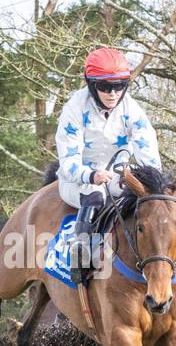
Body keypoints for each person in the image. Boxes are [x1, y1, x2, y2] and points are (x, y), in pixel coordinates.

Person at [53, 46, 162, 282]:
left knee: (152, 199)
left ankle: (175, 252)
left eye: (119, 85)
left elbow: (147, 147)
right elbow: (68, 161)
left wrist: (155, 180)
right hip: (78, 180)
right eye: (104, 86)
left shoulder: (131, 109)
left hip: (115, 175)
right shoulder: (74, 108)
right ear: (92, 85)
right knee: (96, 193)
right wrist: (91, 175)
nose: (112, 93)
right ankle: (81, 254)